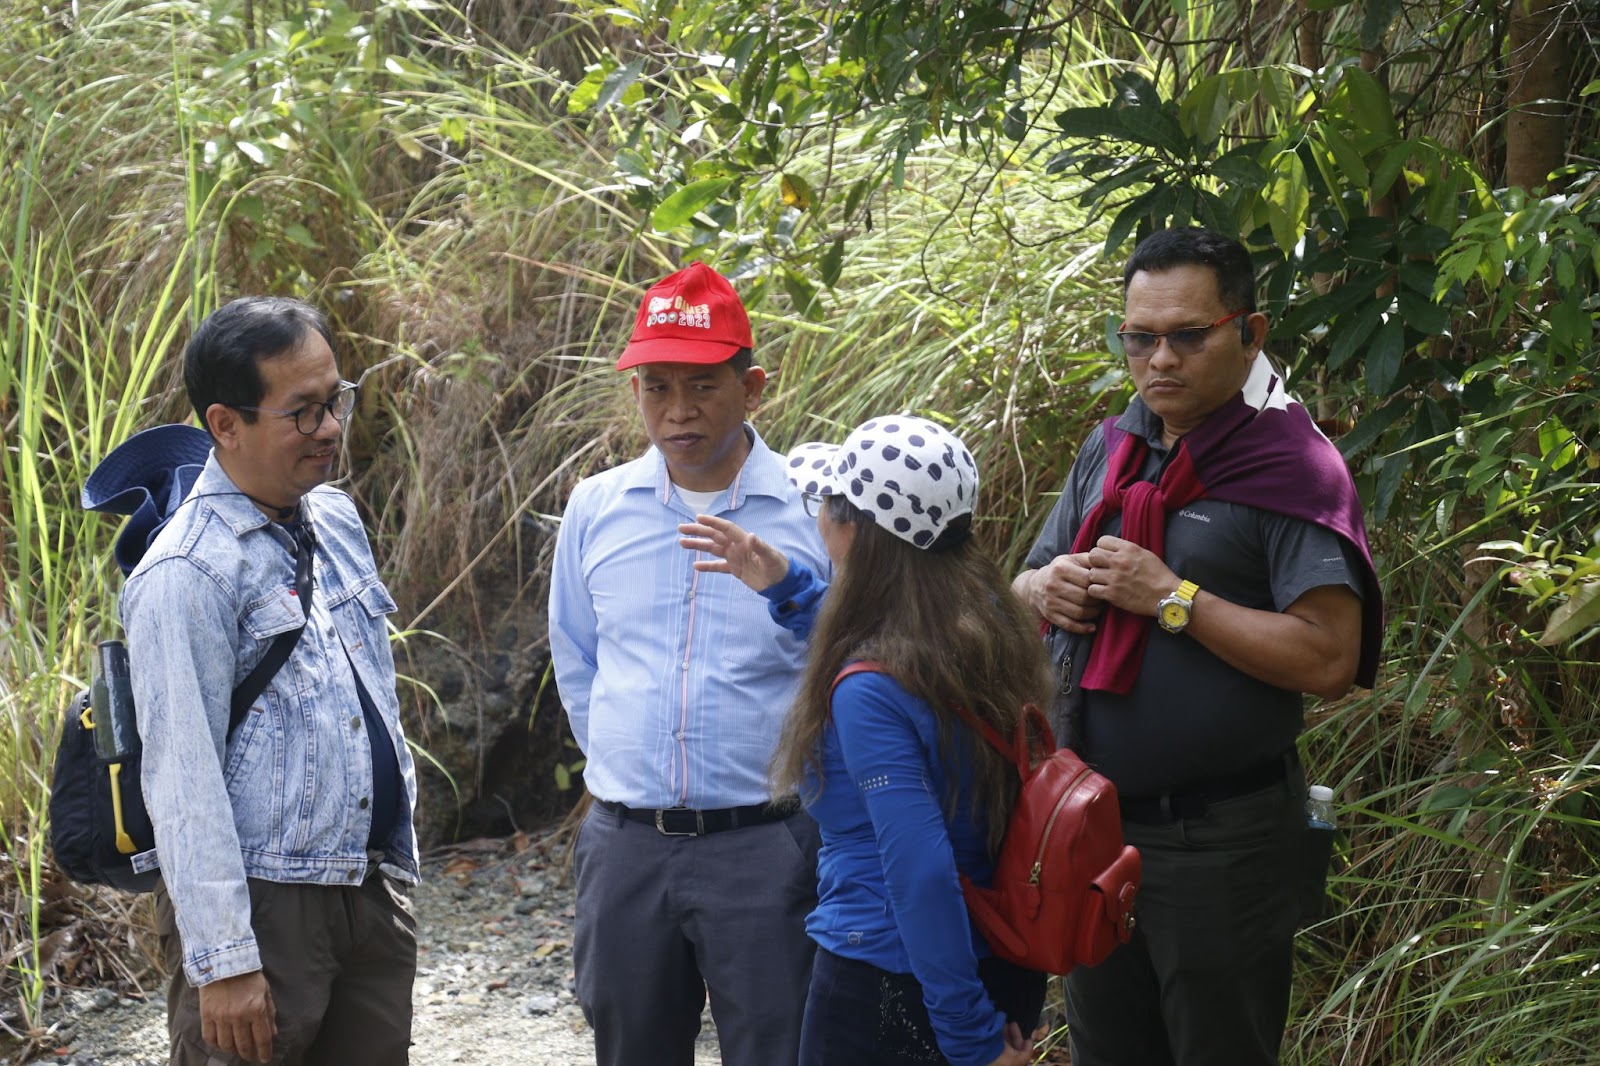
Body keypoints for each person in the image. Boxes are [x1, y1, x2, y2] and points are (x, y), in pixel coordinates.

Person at [1011, 226, 1384, 1066]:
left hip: (1223, 842)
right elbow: (1023, 583)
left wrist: (1173, 600)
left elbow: (1329, 660)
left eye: (1189, 335)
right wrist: (1045, 588)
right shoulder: (1113, 448)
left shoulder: (1291, 466)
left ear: (1249, 333)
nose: (1160, 360)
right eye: (1140, 338)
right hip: (1093, 825)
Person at [679, 415, 1049, 1066]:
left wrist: (968, 1036)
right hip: (999, 950)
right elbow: (898, 641)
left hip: (893, 977)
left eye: (827, 500)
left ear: (852, 529)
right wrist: (791, 588)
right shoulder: (990, 625)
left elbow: (920, 871)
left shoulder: (871, 690)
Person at [123, 296, 420, 1065]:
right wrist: (224, 962)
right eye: (303, 412)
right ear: (226, 424)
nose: (329, 428)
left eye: (335, 401)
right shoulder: (186, 574)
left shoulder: (335, 518)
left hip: (365, 886)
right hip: (263, 906)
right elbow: (182, 779)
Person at [547, 261, 829, 1066]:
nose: (678, 413)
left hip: (767, 843)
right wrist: (625, 772)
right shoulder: (597, 508)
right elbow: (579, 658)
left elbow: (855, 661)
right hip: (626, 845)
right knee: (630, 1046)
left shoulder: (812, 511)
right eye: (656, 387)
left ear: (753, 386)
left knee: (780, 1047)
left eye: (703, 386)